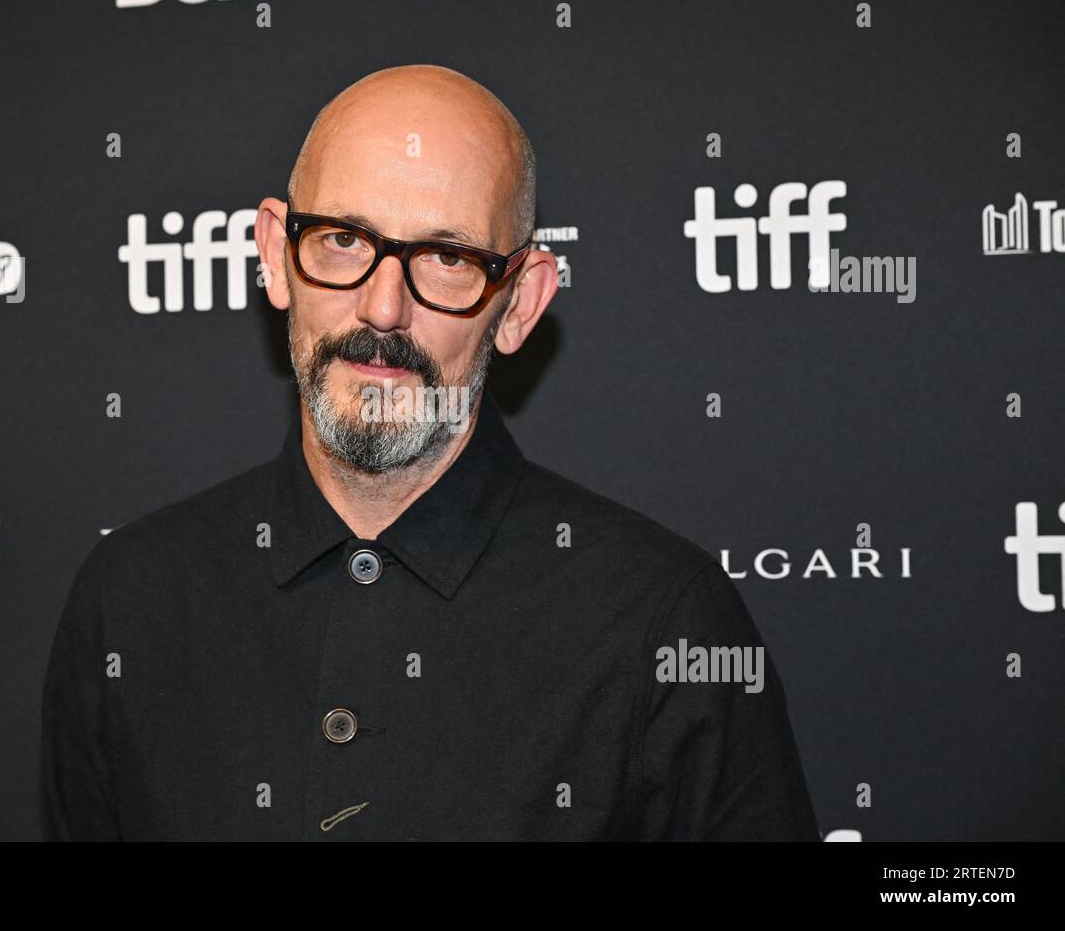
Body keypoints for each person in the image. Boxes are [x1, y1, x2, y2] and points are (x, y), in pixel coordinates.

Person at [40, 63, 820, 840]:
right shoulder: (129, 601)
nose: (384, 308)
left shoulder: (665, 621)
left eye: (447, 258)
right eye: (343, 240)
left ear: (519, 304)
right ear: (276, 253)